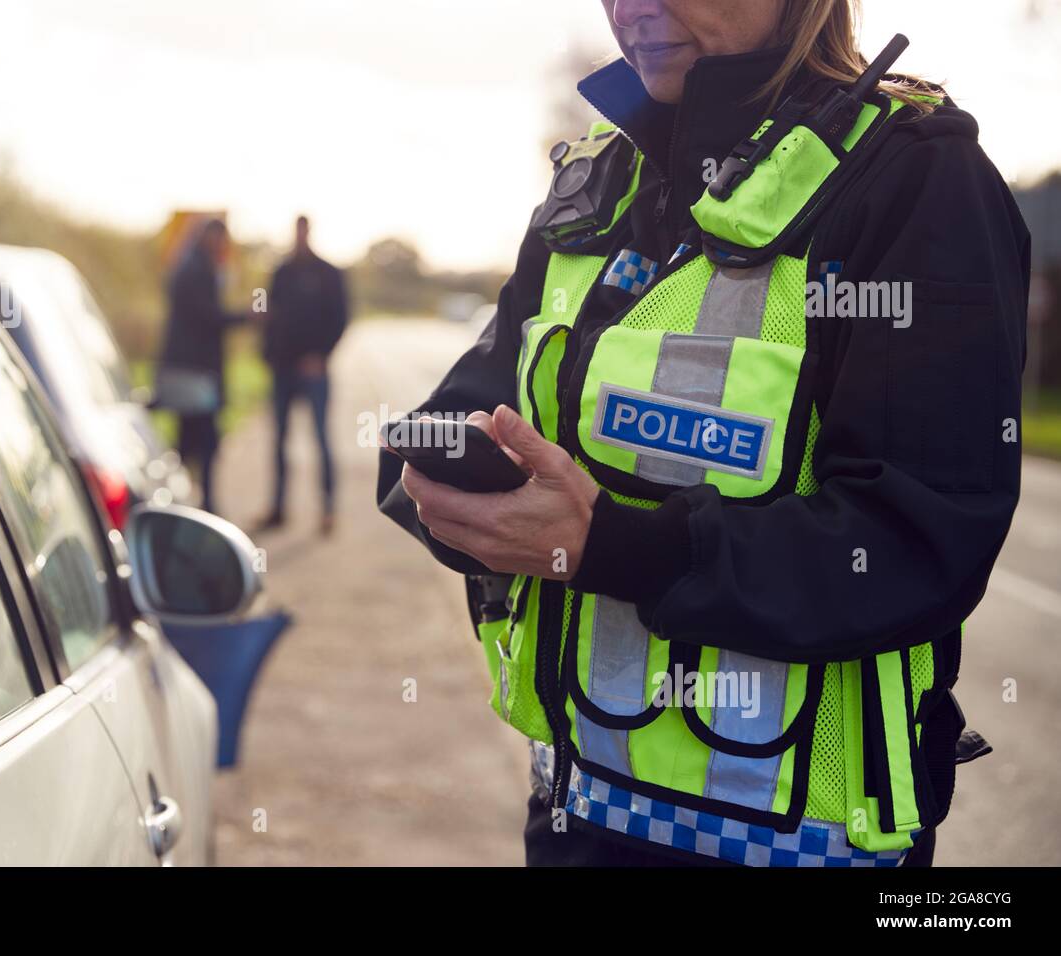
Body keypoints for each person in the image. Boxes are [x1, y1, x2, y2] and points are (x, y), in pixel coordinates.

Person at [377, 0, 1028, 867]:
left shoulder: (916, 182)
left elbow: (916, 541)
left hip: (810, 848)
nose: (634, 6)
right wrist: (453, 490)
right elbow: (486, 395)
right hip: (576, 816)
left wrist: (613, 545)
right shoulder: (598, 175)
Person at [259, 216, 349, 534]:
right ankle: (278, 508)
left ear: (309, 232)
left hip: (314, 371)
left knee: (321, 439)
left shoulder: (329, 274)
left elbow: (341, 319)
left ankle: (327, 510)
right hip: (282, 369)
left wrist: (321, 356)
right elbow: (266, 311)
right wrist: (267, 354)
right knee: (279, 439)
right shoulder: (281, 272)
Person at [158, 218, 239, 513]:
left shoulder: (194, 264)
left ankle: (186, 503)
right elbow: (209, 317)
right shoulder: (196, 269)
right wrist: (247, 317)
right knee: (201, 441)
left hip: (192, 371)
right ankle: (198, 505)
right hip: (193, 373)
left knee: (193, 440)